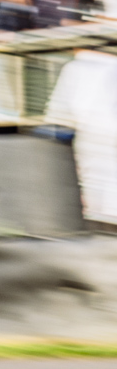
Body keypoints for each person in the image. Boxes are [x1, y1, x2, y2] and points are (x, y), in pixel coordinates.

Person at [44, 47, 117, 233]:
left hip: (92, 166)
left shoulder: (77, 67)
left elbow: (57, 121)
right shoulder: (78, 68)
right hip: (93, 164)